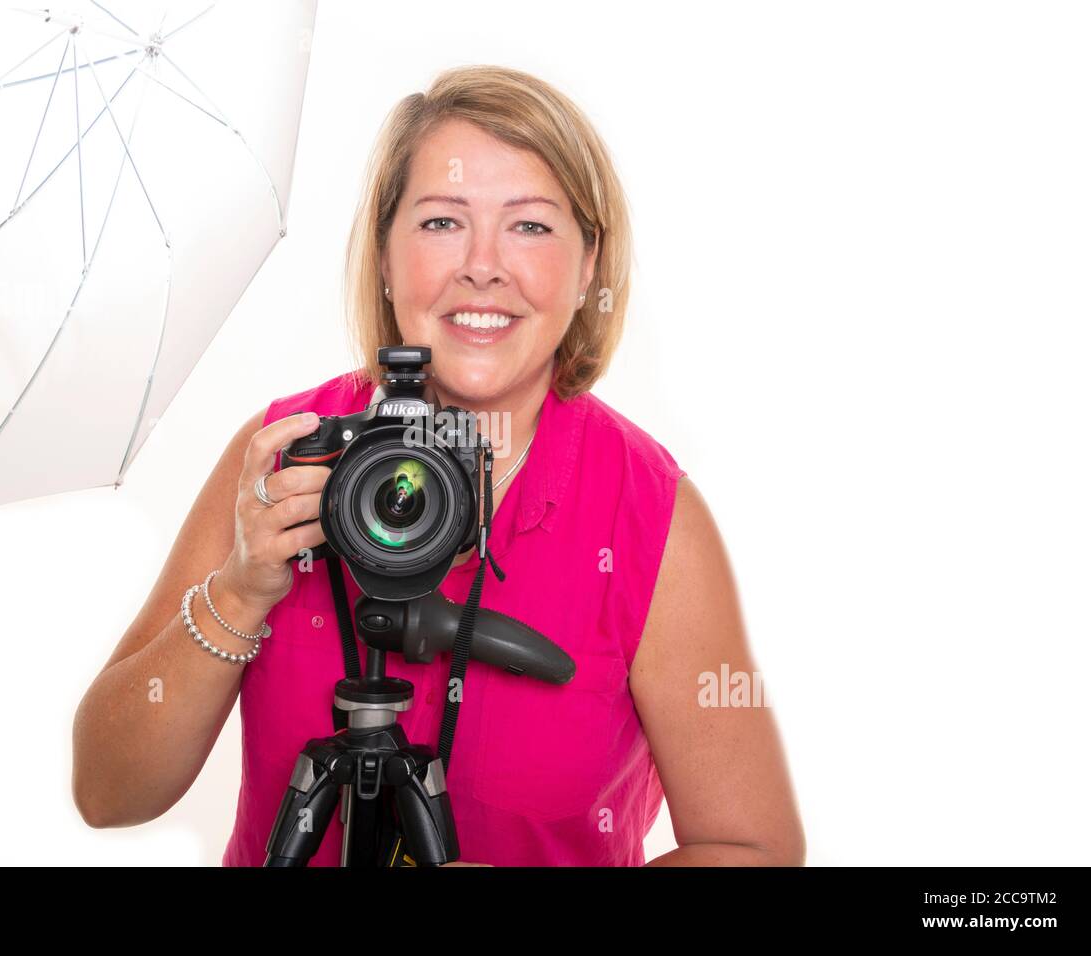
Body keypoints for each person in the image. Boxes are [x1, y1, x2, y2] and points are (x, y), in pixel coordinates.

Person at [72, 65, 805, 867]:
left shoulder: (645, 511)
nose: (482, 266)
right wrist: (241, 591)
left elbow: (754, 850)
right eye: (441, 223)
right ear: (385, 256)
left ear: (589, 263)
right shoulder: (288, 452)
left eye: (529, 227)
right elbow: (110, 793)